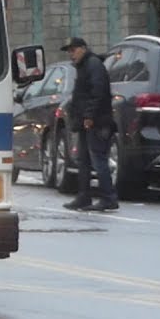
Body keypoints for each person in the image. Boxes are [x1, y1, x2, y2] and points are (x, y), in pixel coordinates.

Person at [61, 36, 118, 212]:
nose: (71, 55)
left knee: (98, 159)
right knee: (84, 160)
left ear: (83, 48)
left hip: (96, 122)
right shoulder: (84, 66)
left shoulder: (93, 65)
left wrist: (89, 116)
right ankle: (83, 196)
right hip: (86, 122)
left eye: (73, 50)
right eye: (69, 51)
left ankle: (108, 198)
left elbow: (98, 92)